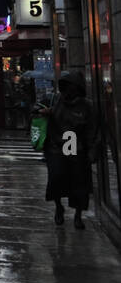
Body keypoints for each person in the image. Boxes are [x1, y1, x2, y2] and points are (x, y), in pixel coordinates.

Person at [41, 71, 99, 229]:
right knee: (56, 179)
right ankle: (59, 206)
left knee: (79, 183)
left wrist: (91, 149)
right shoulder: (57, 101)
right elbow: (40, 108)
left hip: (76, 147)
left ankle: (78, 215)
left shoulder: (86, 106)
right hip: (56, 146)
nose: (68, 91)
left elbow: (91, 129)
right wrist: (45, 113)